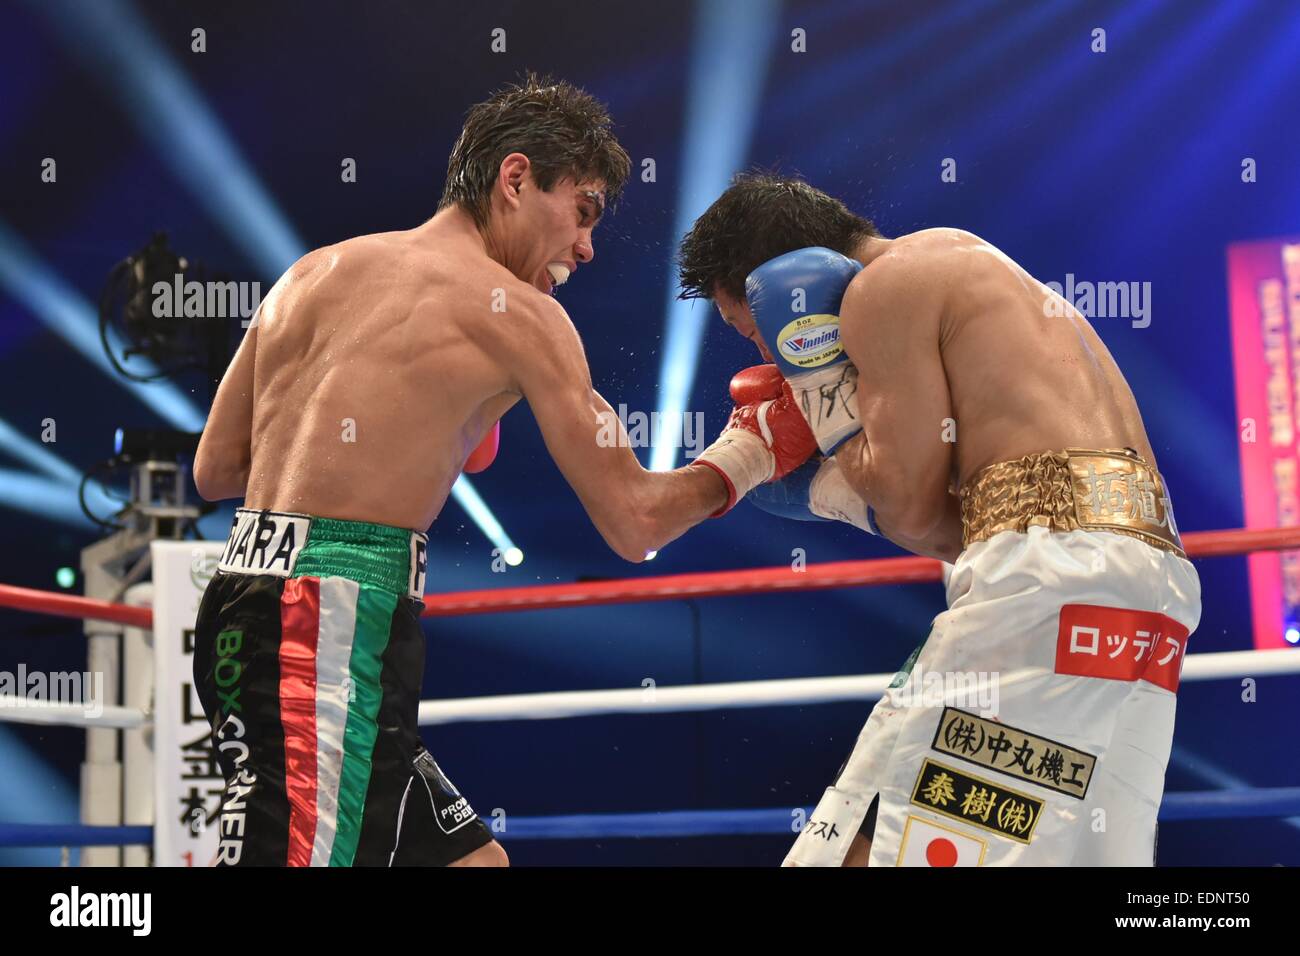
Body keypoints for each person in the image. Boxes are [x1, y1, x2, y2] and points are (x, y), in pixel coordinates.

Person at [191, 79, 816, 866]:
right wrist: (747, 451)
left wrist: (402, 436)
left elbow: (216, 469)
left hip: (253, 599)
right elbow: (635, 521)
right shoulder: (522, 317)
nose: (588, 245)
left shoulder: (311, 273)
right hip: (325, 623)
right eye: (583, 210)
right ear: (515, 179)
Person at [677, 172, 1202, 867]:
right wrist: (823, 488)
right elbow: (955, 527)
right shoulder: (962, 263)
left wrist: (822, 412)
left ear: (787, 286)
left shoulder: (881, 290)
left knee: (887, 842)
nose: (767, 354)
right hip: (1144, 600)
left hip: (1045, 584)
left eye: (757, 329)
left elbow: (906, 504)